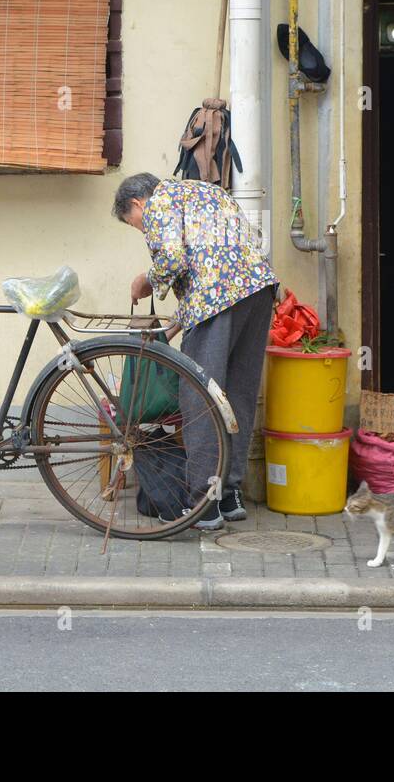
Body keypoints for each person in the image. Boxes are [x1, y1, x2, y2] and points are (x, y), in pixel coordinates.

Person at [114, 172, 279, 529]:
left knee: (199, 397)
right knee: (238, 393)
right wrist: (177, 323)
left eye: (136, 224)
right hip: (258, 290)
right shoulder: (204, 191)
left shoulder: (159, 203)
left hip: (218, 298)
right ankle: (230, 492)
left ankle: (205, 502)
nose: (143, 231)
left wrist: (148, 280)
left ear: (138, 203)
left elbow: (173, 261)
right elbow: (211, 261)